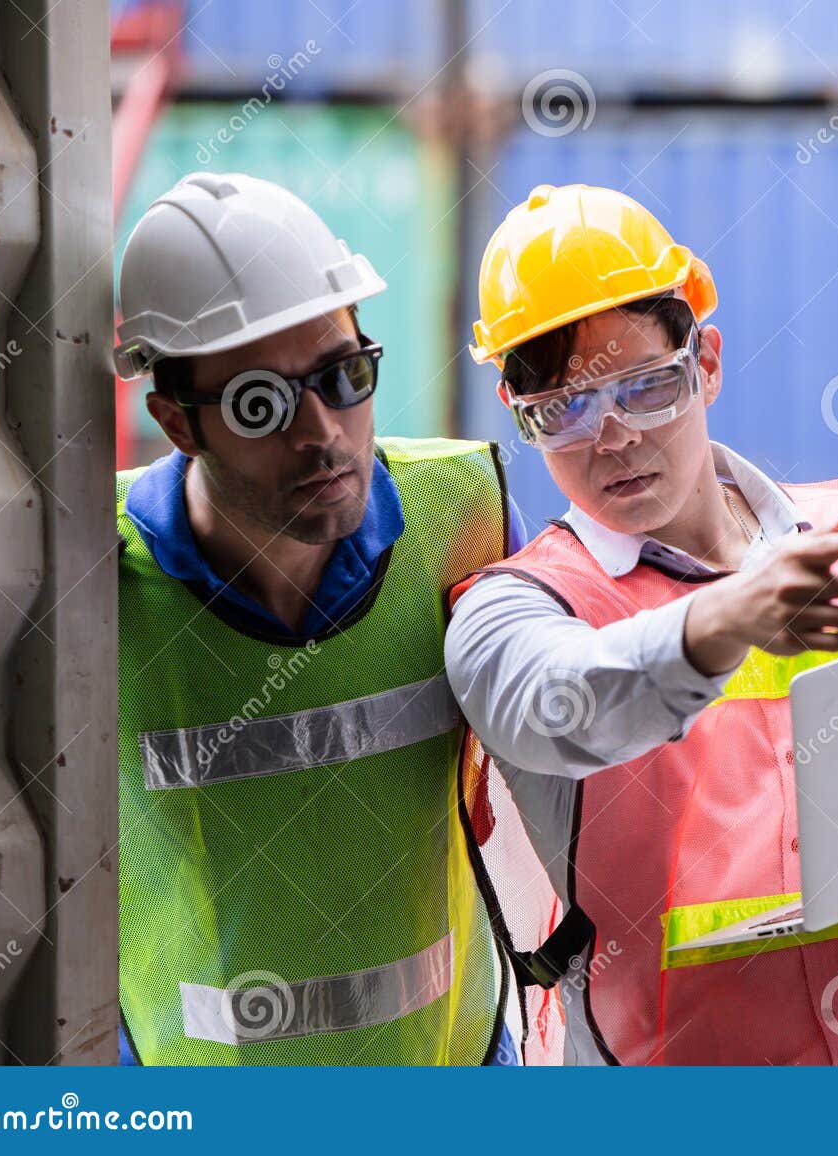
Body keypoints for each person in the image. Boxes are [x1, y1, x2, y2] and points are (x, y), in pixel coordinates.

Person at [446, 183, 838, 1065]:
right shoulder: (513, 612)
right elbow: (558, 698)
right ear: (518, 415)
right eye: (562, 409)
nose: (610, 437)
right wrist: (726, 614)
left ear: (706, 363)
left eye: (644, 388)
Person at [113, 172, 528, 1065]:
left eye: (345, 376)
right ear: (178, 423)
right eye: (261, 402)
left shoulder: (467, 518)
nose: (323, 432)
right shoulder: (89, 583)